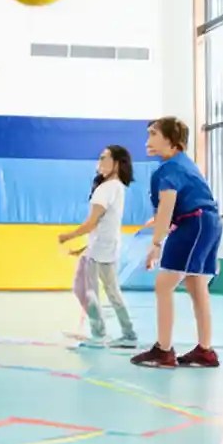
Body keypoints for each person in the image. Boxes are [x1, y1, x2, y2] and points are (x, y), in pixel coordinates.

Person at [130, 117, 222, 369]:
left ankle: (164, 350)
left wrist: (156, 245)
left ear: (172, 141)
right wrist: (158, 220)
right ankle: (205, 350)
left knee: (163, 285)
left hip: (194, 224)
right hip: (208, 221)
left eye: (153, 134)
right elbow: (183, 202)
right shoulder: (184, 164)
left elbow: (168, 206)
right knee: (195, 284)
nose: (147, 141)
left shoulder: (169, 169)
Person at [58, 145, 139, 348]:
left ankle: (99, 333)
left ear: (117, 163)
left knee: (86, 290)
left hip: (100, 251)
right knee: (110, 292)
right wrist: (83, 248)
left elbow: (92, 223)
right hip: (106, 247)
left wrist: (68, 236)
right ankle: (128, 334)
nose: (99, 161)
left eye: (104, 158)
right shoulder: (117, 187)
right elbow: (103, 225)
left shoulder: (106, 189)